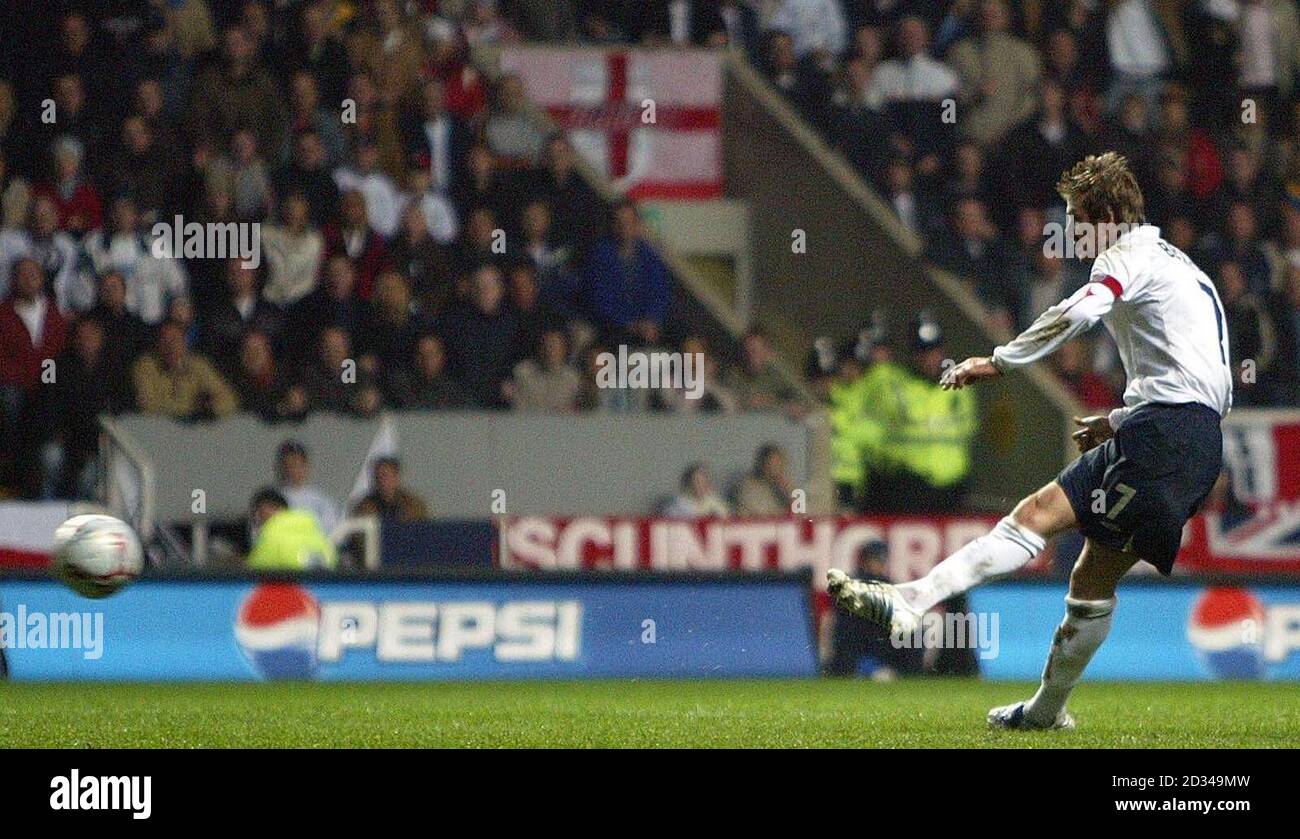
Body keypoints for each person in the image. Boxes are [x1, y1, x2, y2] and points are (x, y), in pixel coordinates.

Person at [829, 153, 1233, 730]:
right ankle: (1037, 705)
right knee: (1082, 566)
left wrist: (999, 360)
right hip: (1189, 438)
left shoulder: (1126, 257)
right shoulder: (1180, 265)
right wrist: (1121, 423)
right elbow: (1201, 379)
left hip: (1166, 436)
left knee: (1051, 527)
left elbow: (1080, 312)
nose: (1071, 234)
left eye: (1077, 220)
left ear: (1107, 216)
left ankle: (913, 602)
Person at [246, 487, 337, 571]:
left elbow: (251, 574)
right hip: (322, 586)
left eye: (259, 513)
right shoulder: (316, 531)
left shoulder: (271, 534)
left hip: (292, 587)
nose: (256, 520)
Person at [275, 440, 341, 537]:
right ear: (283, 467)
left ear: (306, 466)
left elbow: (332, 532)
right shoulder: (273, 500)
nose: (295, 469)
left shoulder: (321, 500)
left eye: (299, 464)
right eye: (290, 465)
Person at [352, 456, 429, 521]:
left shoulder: (413, 506)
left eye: (385, 475)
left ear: (396, 477)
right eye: (377, 476)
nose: (381, 480)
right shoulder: (364, 507)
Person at [663, 462, 730, 518]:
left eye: (705, 481)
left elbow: (726, 521)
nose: (702, 485)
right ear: (689, 483)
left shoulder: (715, 502)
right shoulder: (678, 504)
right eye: (698, 482)